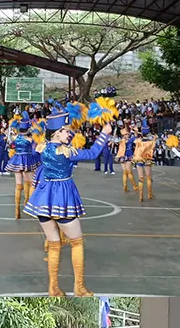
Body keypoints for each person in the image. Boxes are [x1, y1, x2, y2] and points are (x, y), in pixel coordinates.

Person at [23, 104, 113, 297]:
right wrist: (104, 133)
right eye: (66, 131)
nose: (69, 133)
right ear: (57, 133)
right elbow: (92, 153)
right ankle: (79, 287)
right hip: (62, 198)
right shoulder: (66, 152)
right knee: (77, 242)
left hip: (43, 199)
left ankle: (53, 287)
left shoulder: (43, 148)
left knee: (54, 244)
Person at [6, 115, 40, 220]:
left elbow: (10, 144)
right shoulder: (29, 138)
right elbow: (35, 148)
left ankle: (17, 210)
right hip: (27, 159)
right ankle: (28, 203)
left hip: (17, 159)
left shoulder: (15, 137)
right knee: (31, 182)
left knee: (18, 184)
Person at [131, 119, 158, 202]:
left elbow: (133, 141)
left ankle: (141, 196)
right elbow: (154, 148)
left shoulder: (138, 141)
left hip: (139, 160)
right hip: (147, 160)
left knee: (141, 178)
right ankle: (149, 194)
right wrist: (154, 138)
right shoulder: (151, 142)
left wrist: (136, 133)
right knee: (148, 177)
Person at [116, 123, 141, 195]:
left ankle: (125, 186)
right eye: (127, 134)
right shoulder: (129, 140)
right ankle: (134, 186)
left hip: (121, 156)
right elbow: (135, 136)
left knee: (124, 172)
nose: (128, 135)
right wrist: (135, 130)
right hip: (128, 155)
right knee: (129, 172)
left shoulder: (121, 140)